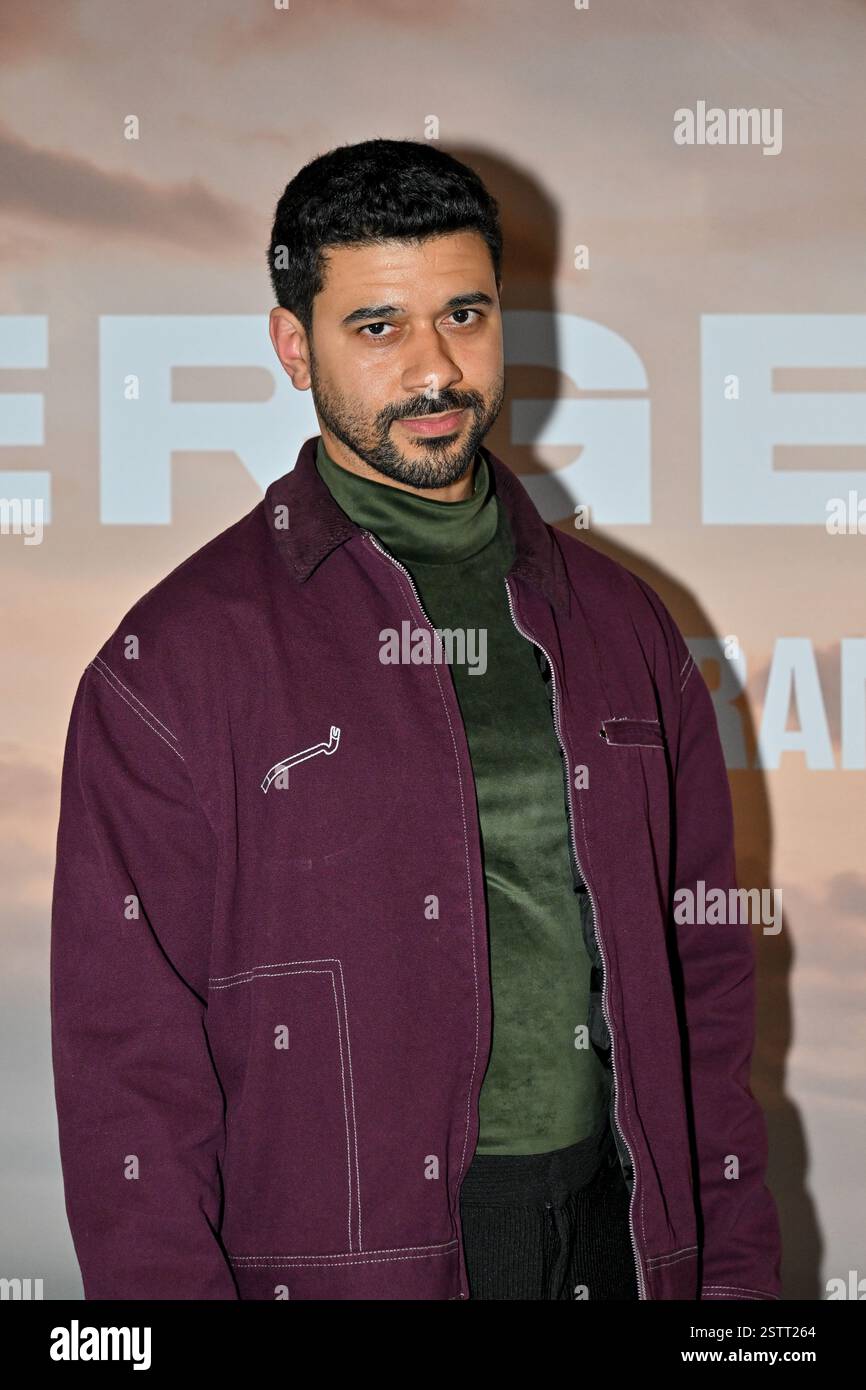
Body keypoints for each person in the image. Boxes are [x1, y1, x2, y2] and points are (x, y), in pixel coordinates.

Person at [50, 138, 782, 1301]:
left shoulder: (626, 625)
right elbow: (127, 1067)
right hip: (354, 1270)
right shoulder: (174, 659)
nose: (435, 369)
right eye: (378, 326)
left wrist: (733, 1284)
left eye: (465, 313)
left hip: (622, 1243)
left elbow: (707, 989)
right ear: (294, 344)